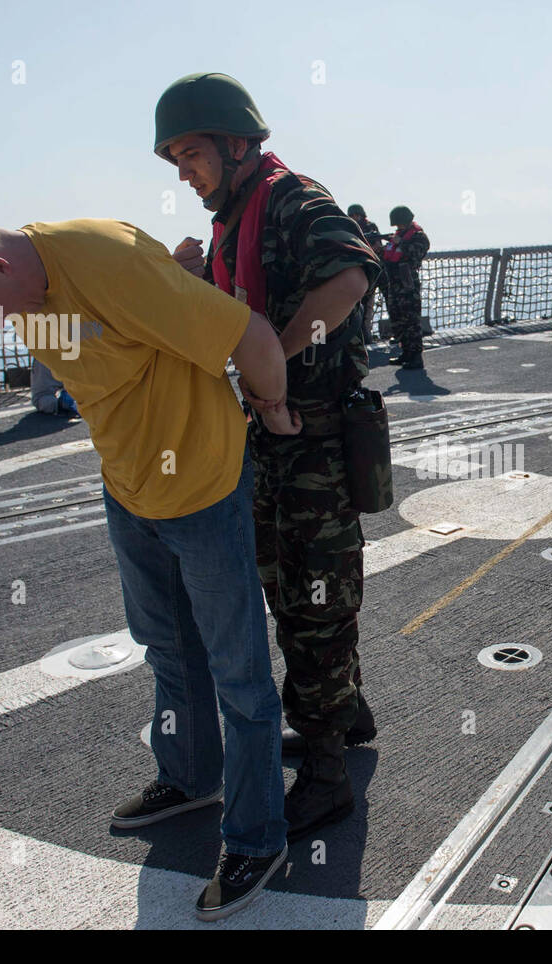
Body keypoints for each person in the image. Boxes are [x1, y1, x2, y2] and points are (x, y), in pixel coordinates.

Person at [0, 211, 298, 921]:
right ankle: (190, 777)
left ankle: (259, 836)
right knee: (168, 650)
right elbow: (121, 344)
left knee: (239, 673)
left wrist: (270, 407)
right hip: (129, 488)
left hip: (202, 486)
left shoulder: (103, 262)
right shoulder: (23, 291)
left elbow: (253, 336)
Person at [155, 72, 382, 843]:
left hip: (313, 443)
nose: (185, 173)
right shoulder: (234, 220)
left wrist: (274, 361)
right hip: (276, 443)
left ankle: (324, 772)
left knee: (314, 601)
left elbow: (348, 278)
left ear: (236, 142)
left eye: (191, 154)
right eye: (176, 161)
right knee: (288, 590)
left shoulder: (289, 198)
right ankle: (344, 714)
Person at [379, 206, 429, 369]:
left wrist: (402, 243)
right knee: (398, 318)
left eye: (399, 224)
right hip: (394, 283)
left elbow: (418, 252)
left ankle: (416, 357)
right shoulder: (398, 235)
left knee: (411, 320)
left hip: (407, 283)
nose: (397, 228)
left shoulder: (418, 236)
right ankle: (406, 352)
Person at [348, 204, 384, 341]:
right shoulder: (351, 227)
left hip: (373, 269)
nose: (354, 218)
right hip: (360, 270)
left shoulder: (370, 227)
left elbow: (377, 246)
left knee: (368, 306)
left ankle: (366, 335)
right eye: (351, 216)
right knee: (360, 306)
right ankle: (360, 335)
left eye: (355, 215)